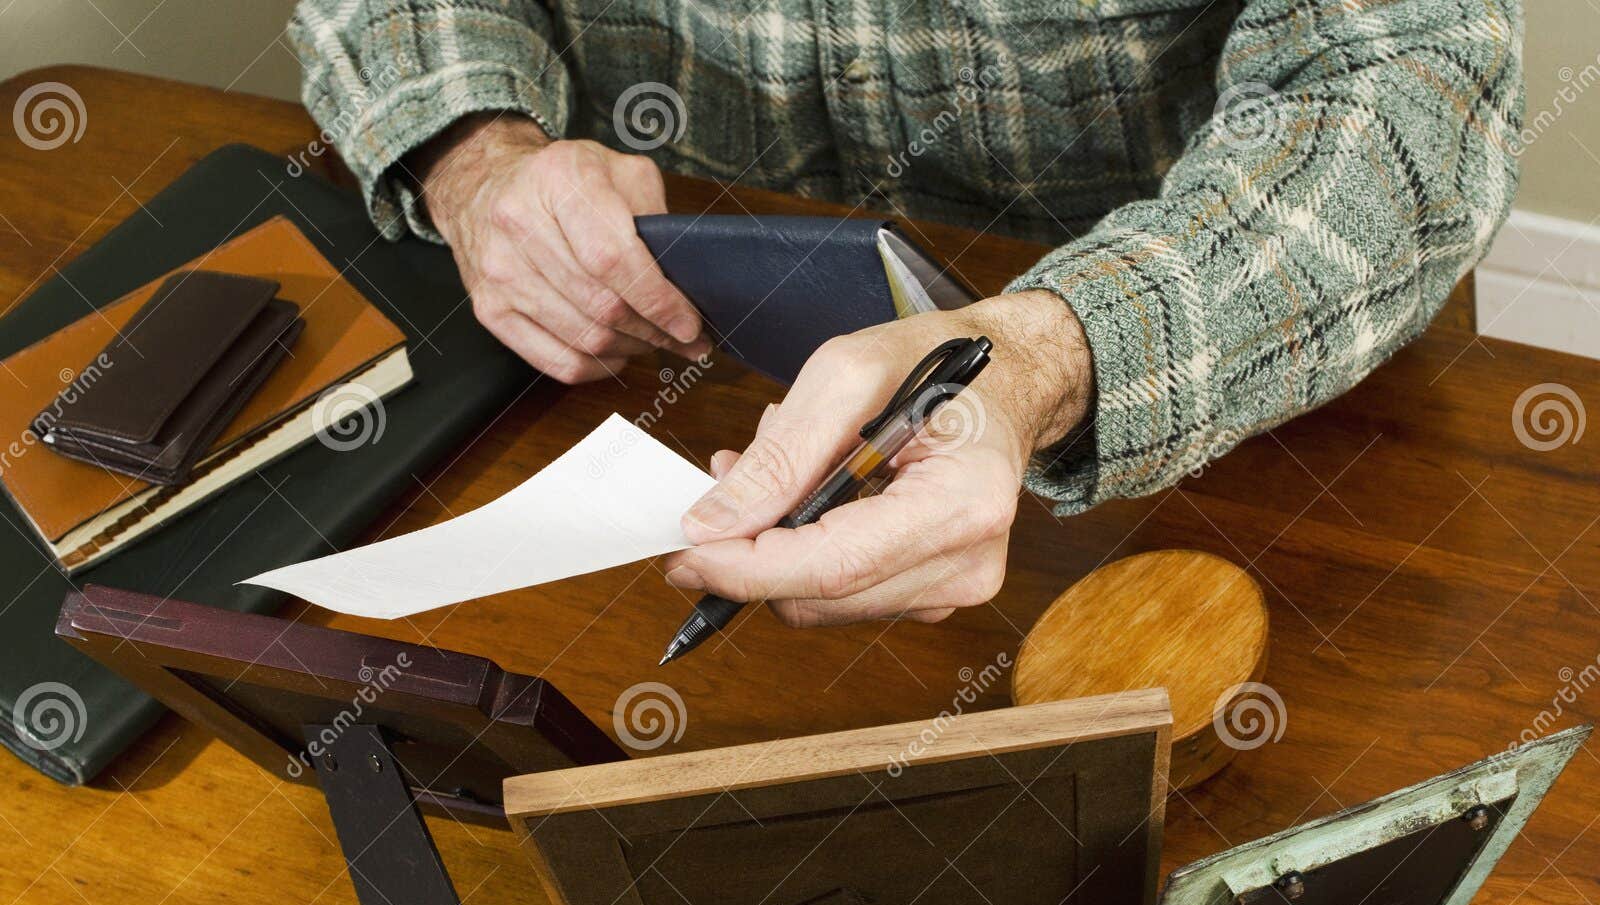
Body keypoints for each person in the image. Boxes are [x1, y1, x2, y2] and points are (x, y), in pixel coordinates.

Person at [289, 1, 1523, 628]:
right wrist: (470, 153)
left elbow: (1408, 87)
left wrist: (1044, 357)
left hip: (1230, 421)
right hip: (644, 361)